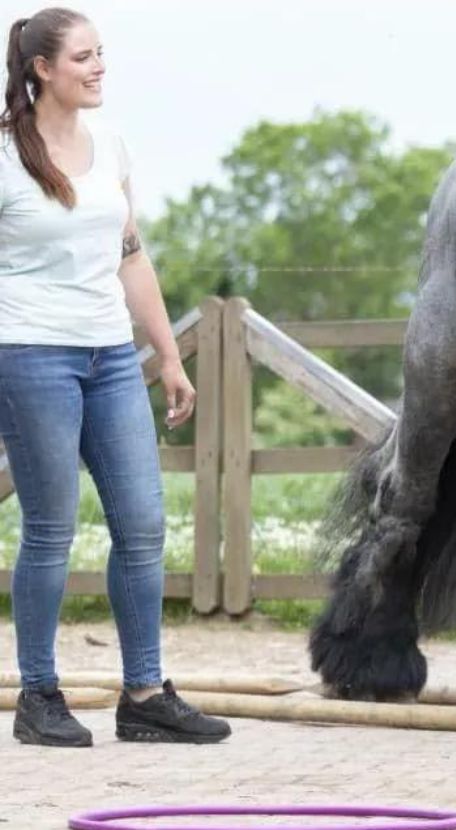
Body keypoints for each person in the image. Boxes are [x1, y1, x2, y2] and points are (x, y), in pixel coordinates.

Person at [1, 7, 230, 746]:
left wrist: (168, 356)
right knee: (50, 529)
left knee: (142, 524)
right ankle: (39, 697)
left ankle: (144, 695)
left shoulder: (112, 145)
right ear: (41, 69)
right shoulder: (4, 154)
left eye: (102, 53)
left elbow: (131, 257)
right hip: (30, 353)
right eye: (83, 57)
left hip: (110, 358)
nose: (99, 67)